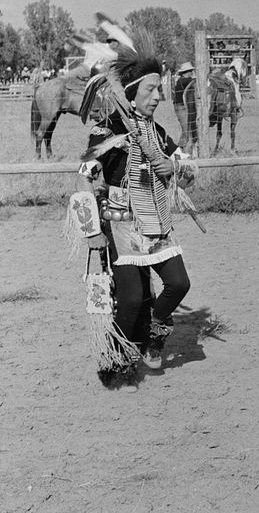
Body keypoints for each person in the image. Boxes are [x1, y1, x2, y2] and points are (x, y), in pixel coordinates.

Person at [69, 29, 195, 391]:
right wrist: (91, 230)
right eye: (150, 91)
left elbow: (186, 167)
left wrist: (178, 169)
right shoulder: (106, 132)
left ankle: (153, 335)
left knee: (178, 283)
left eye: (159, 90)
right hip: (121, 227)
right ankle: (115, 359)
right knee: (130, 300)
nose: (157, 97)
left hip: (155, 222)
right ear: (131, 94)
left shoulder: (155, 132)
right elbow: (83, 179)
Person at [172, 61, 197, 154]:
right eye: (190, 71)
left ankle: (181, 150)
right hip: (180, 107)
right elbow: (193, 81)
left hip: (182, 107)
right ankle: (179, 151)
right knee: (186, 130)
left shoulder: (182, 80)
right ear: (186, 72)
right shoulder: (184, 81)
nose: (191, 72)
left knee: (187, 129)